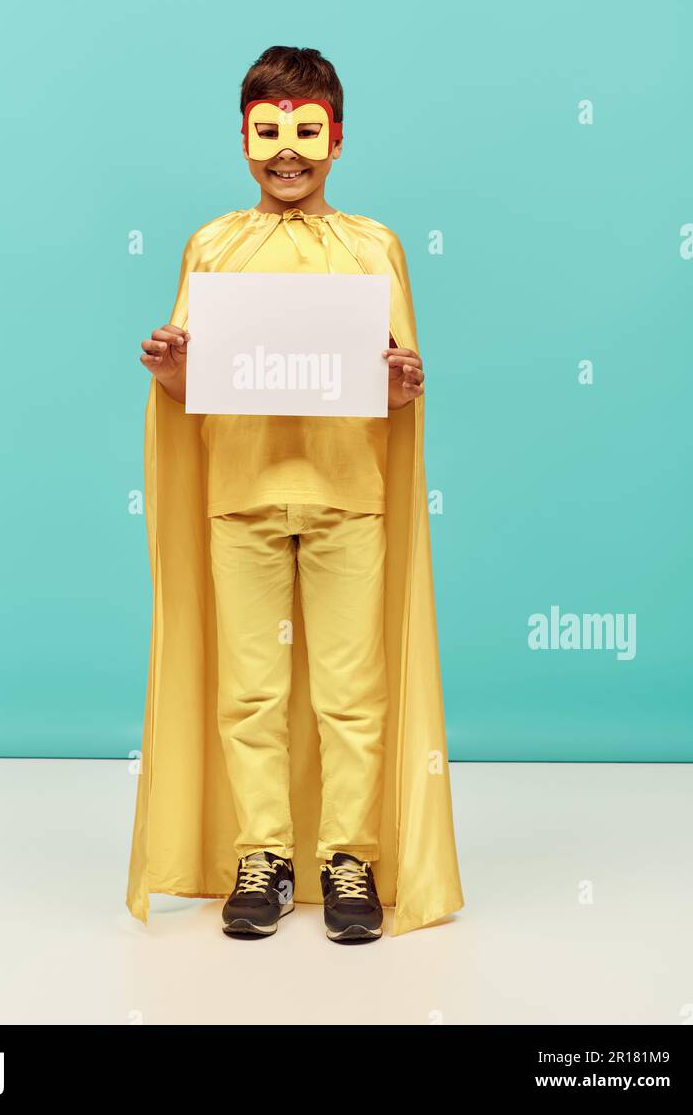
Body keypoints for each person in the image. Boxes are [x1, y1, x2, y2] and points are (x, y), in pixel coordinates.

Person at [126, 46, 464, 942]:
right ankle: (262, 855)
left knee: (350, 693)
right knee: (249, 691)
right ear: (243, 139)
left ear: (337, 140)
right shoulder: (214, 244)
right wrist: (168, 370)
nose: (288, 152)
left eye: (306, 133)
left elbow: (396, 389)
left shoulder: (372, 246)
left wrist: (400, 388)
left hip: (348, 498)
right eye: (269, 132)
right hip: (239, 497)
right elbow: (189, 386)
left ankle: (347, 856)